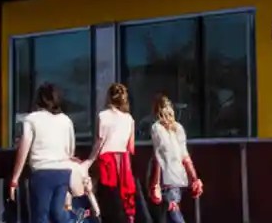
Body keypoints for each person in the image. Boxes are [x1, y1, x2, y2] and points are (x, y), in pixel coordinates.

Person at [9, 83, 77, 223]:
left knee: (41, 216)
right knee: (58, 214)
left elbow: (24, 149)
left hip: (42, 173)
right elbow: (70, 150)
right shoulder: (66, 120)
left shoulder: (31, 119)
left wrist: (15, 179)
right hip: (63, 172)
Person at [146, 95, 202, 223]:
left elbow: (158, 157)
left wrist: (155, 183)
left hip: (166, 179)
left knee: (172, 212)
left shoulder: (156, 128)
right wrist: (194, 178)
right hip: (179, 178)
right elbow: (186, 157)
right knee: (168, 215)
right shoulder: (179, 128)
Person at [86, 83, 136, 223]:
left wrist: (88, 162)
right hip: (123, 163)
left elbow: (99, 141)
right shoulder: (129, 119)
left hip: (106, 163)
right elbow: (130, 147)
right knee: (123, 203)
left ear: (108, 97)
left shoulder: (102, 116)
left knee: (107, 204)